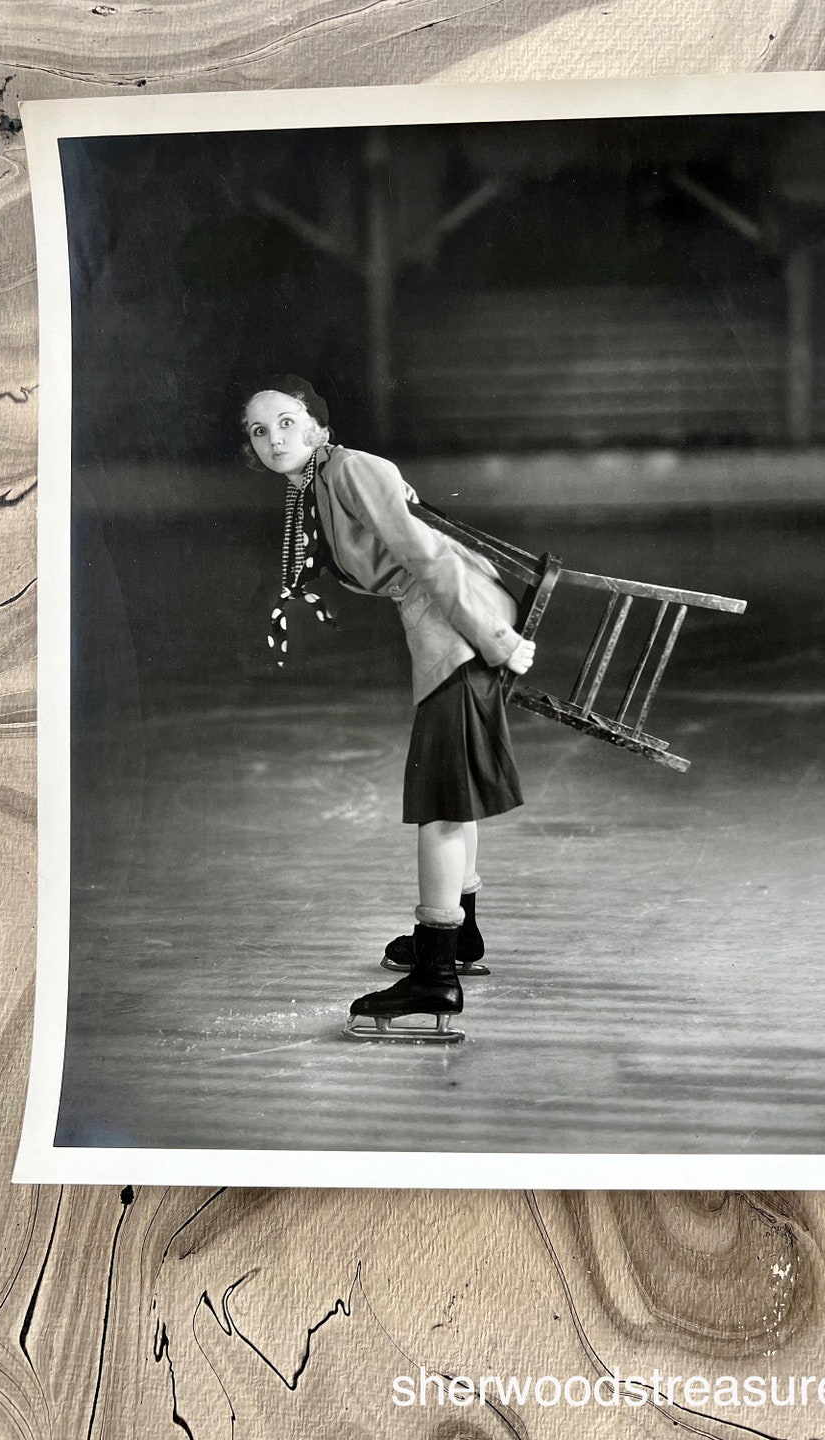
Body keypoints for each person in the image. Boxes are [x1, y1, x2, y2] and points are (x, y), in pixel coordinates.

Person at [242, 377, 535, 1042]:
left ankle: (436, 976)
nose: (274, 438)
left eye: (287, 422)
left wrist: (498, 641)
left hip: (460, 627)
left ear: (318, 425)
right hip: (444, 627)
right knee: (451, 795)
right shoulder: (319, 483)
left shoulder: (350, 469)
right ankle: (460, 936)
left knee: (437, 801)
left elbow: (423, 553)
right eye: (260, 431)